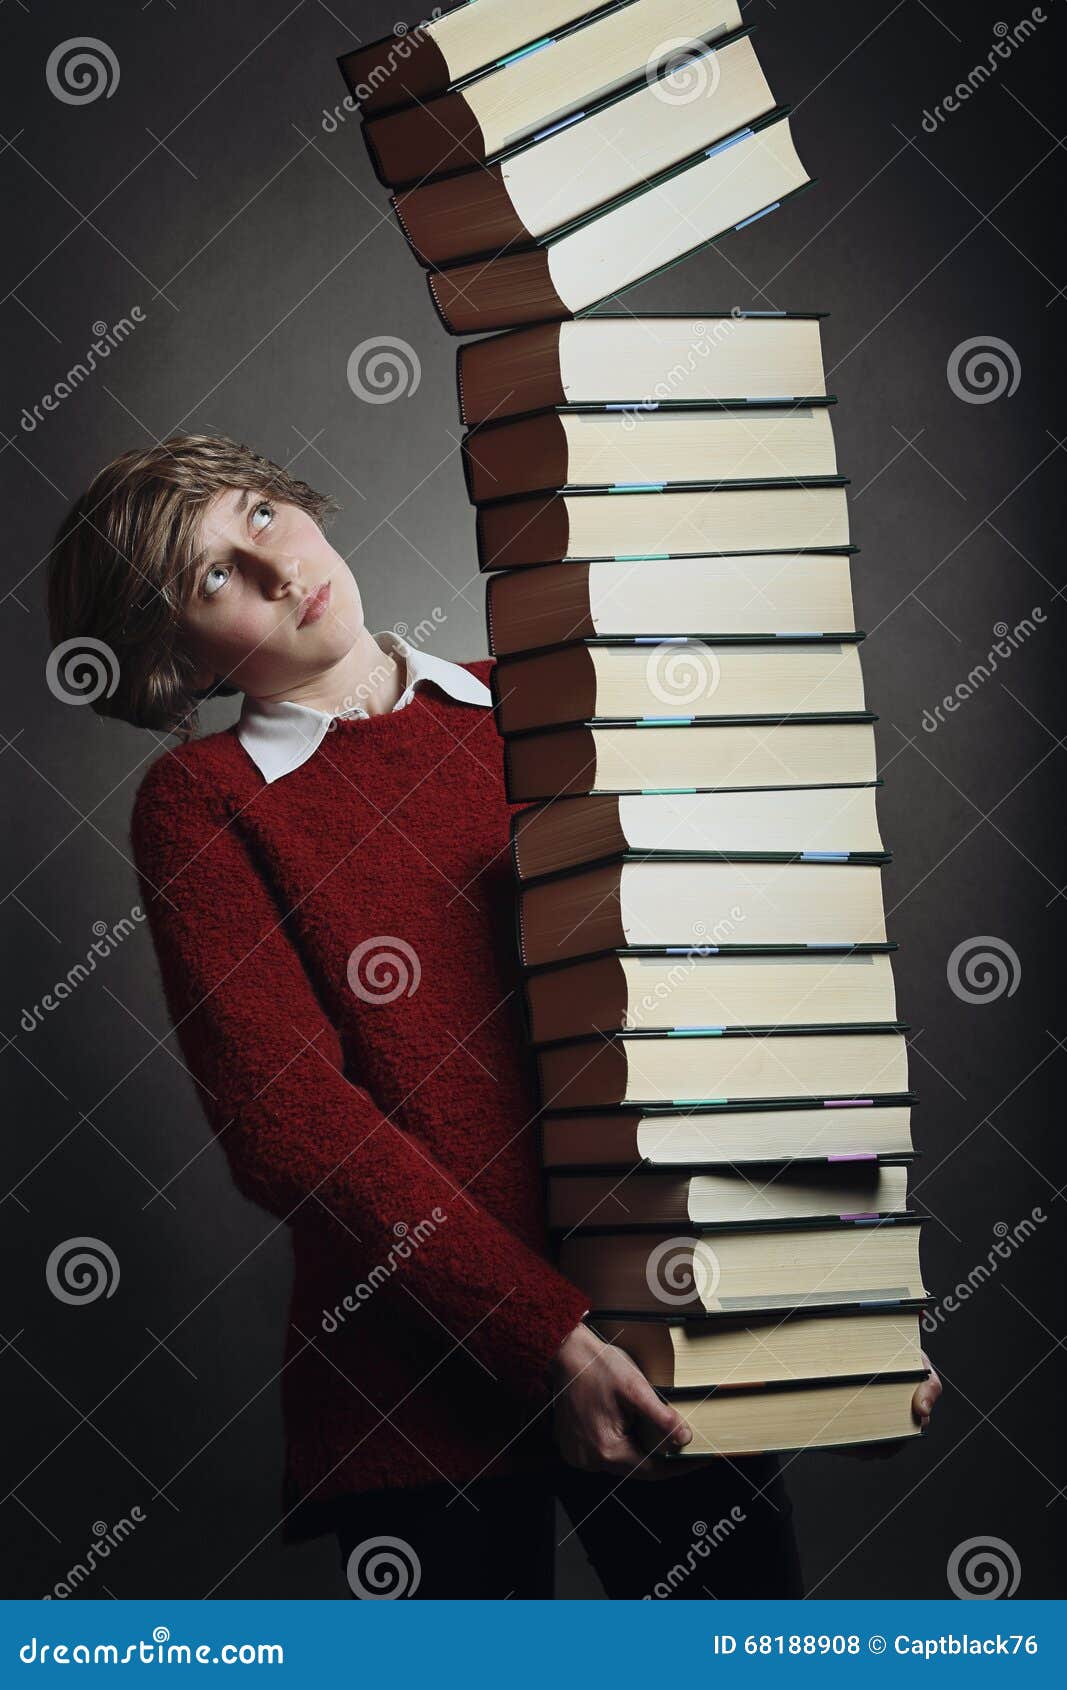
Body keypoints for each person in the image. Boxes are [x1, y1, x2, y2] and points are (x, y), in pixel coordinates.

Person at [46, 433, 941, 1599]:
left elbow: (726, 997)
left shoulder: (543, 699)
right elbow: (293, 1122)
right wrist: (543, 1338)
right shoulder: (202, 804)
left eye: (259, 517)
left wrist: (832, 1285)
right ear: (175, 658)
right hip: (420, 1384)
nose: (273, 570)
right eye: (210, 577)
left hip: (675, 1319)